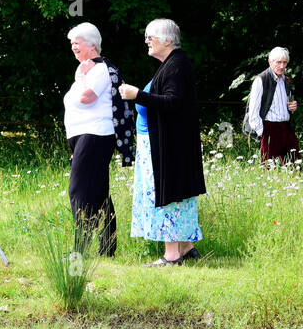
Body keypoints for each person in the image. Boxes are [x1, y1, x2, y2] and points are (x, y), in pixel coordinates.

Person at [118, 19, 206, 266]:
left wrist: (138, 95)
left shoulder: (177, 65)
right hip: (161, 143)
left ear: (167, 40)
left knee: (168, 195)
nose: (146, 40)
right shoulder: (172, 64)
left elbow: (173, 102)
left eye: (150, 36)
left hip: (167, 146)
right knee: (177, 197)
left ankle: (172, 256)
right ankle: (186, 248)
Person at [64, 23, 119, 257]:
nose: (73, 46)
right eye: (71, 43)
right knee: (97, 192)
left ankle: (80, 250)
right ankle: (107, 247)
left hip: (95, 135)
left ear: (92, 44)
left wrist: (85, 78)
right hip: (84, 136)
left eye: (78, 42)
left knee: (79, 190)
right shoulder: (84, 70)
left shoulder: (98, 69)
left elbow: (87, 98)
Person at [244, 46, 299, 166]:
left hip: (286, 127)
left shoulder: (286, 80)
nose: (282, 66)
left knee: (296, 166)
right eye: (278, 62)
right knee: (269, 169)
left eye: (285, 63)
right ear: (270, 62)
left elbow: (288, 104)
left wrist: (293, 107)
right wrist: (262, 133)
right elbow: (253, 112)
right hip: (269, 128)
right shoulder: (261, 80)